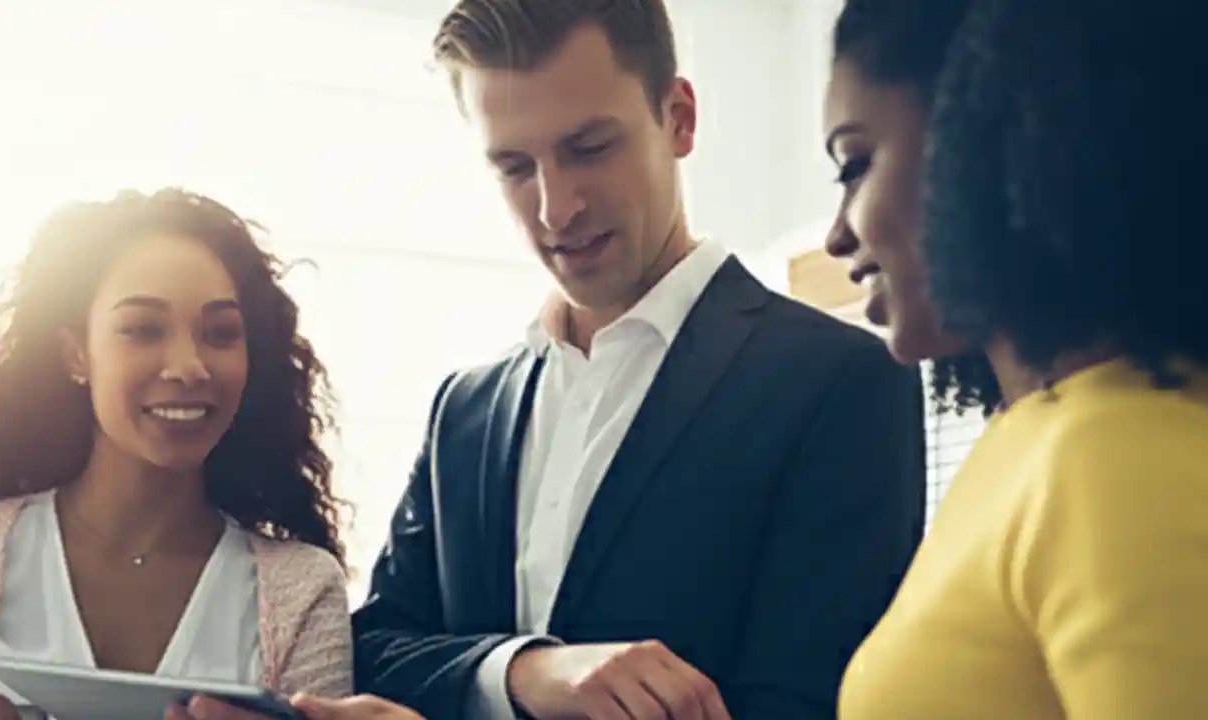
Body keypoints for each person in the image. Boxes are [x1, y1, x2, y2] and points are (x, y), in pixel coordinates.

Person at [339, 1, 927, 719]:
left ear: (678, 118)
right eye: (515, 166)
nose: (557, 209)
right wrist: (527, 672)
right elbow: (372, 651)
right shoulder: (465, 408)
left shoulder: (843, 382)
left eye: (589, 148)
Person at [822, 0, 1208, 717]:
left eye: (855, 165)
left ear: (982, 145)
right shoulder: (1032, 438)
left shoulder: (1121, 454)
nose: (836, 235)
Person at [0, 189, 370, 718]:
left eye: (220, 334)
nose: (189, 366)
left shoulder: (303, 590)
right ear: (76, 354)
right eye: (143, 330)